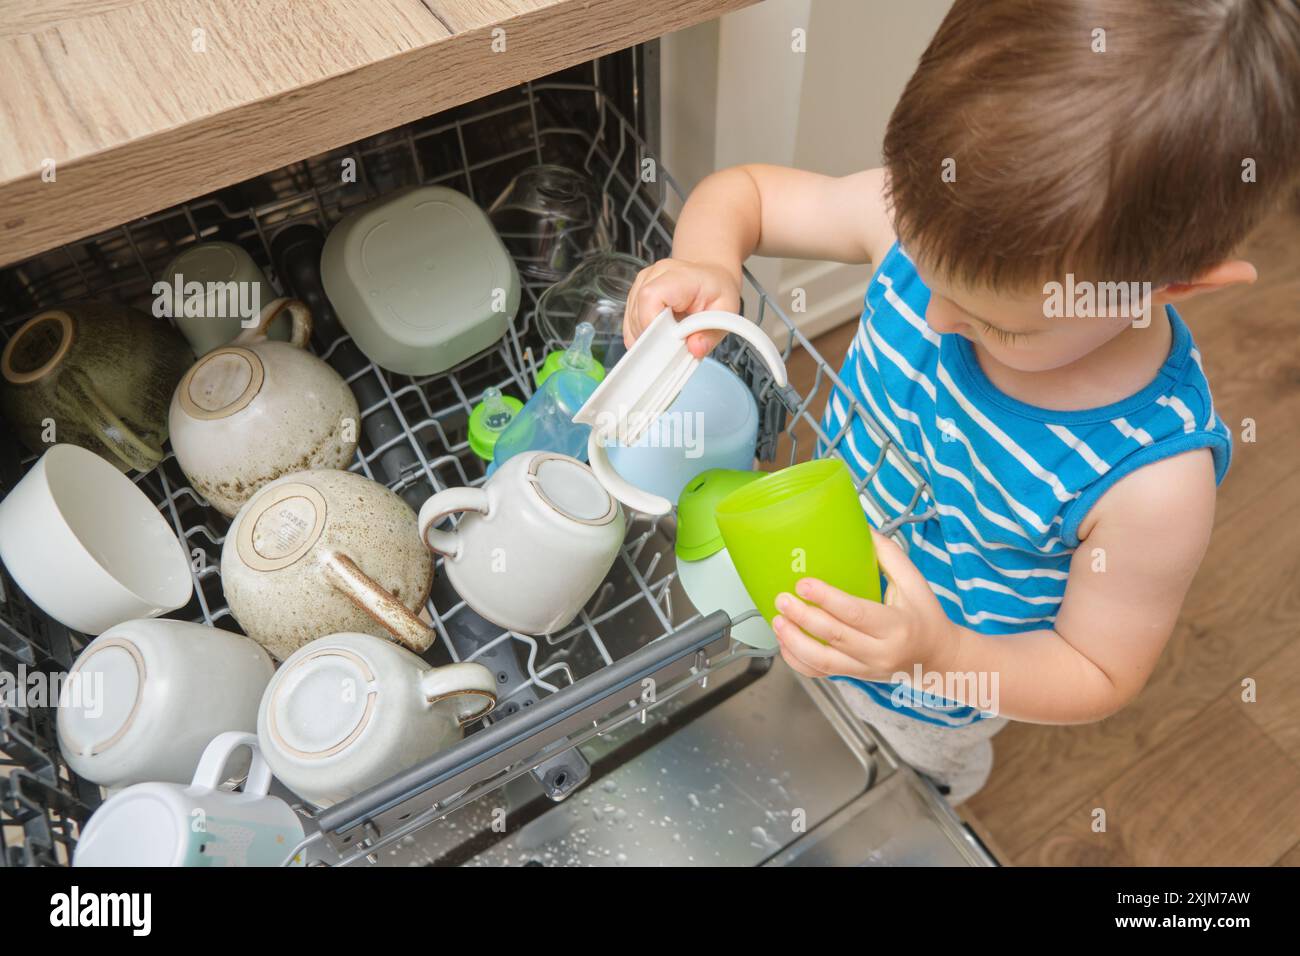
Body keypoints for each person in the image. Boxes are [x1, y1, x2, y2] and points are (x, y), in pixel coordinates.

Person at [620, 0, 1300, 802]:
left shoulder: (1152, 480)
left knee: (881, 792)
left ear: (1177, 286)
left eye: (996, 326)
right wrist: (706, 260)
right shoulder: (924, 226)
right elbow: (748, 195)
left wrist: (933, 657)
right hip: (811, 566)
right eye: (923, 263)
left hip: (929, 700)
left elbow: (1098, 671)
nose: (933, 317)